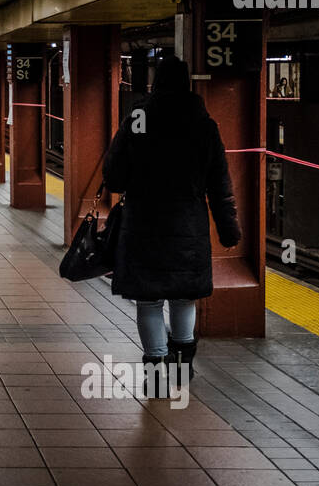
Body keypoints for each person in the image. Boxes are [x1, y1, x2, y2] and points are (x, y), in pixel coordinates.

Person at [102, 56, 241, 396]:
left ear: (155, 84)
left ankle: (156, 372)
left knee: (149, 302)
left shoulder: (138, 118)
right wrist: (228, 229)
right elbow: (219, 184)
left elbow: (114, 176)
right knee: (183, 298)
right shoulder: (203, 124)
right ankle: (182, 367)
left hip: (143, 224)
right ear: (186, 85)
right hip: (188, 227)